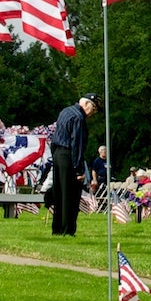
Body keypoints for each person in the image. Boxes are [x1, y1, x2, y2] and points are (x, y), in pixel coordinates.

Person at [48, 93, 99, 236]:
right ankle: (67, 229)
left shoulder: (65, 111)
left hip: (58, 153)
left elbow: (55, 137)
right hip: (69, 155)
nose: (93, 113)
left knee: (59, 192)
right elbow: (77, 144)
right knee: (70, 194)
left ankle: (57, 228)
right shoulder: (79, 117)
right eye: (94, 108)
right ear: (87, 104)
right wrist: (78, 170)